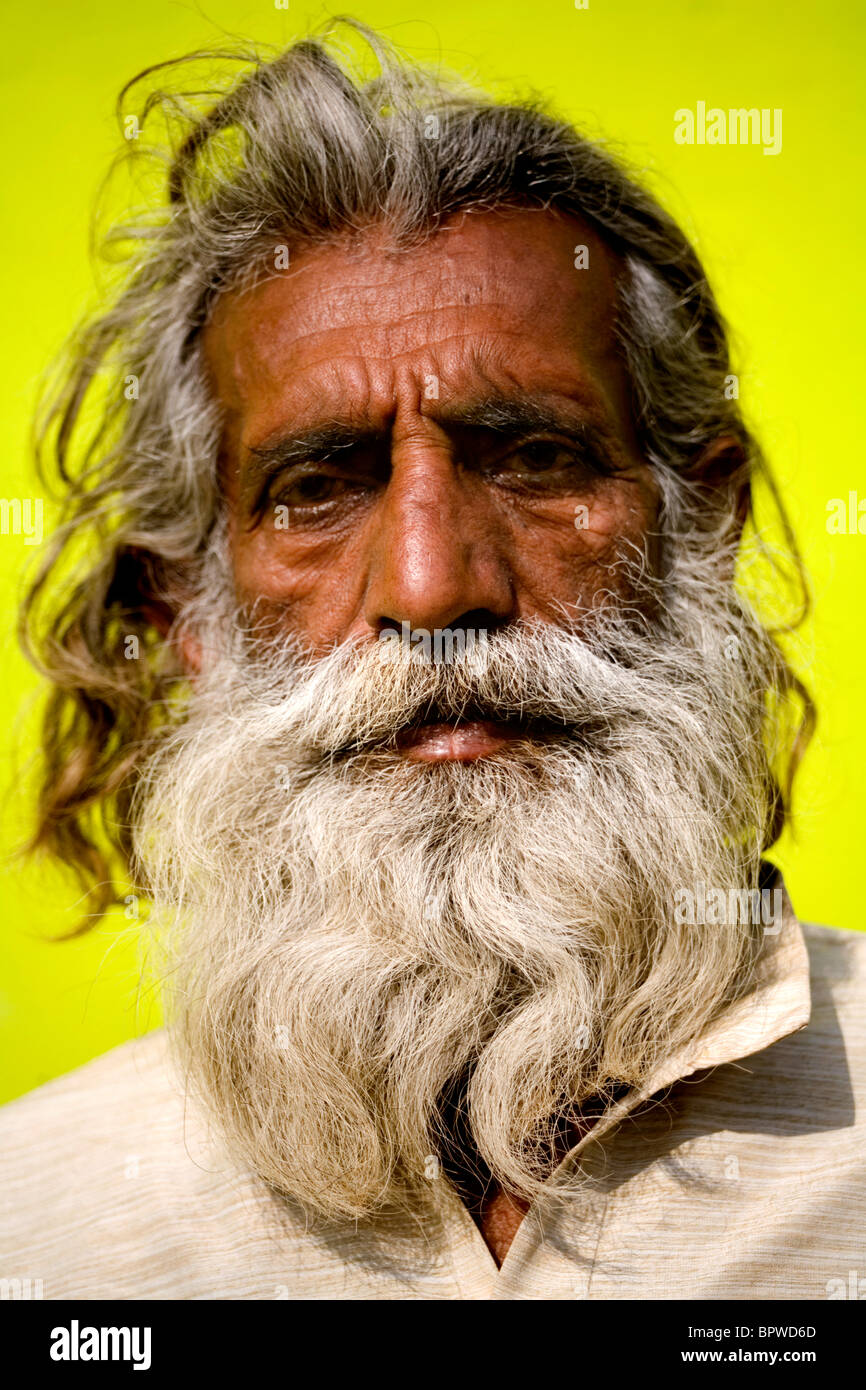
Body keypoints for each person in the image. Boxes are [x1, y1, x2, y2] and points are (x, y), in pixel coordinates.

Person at [1, 20, 863, 1300]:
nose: (431, 585)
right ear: (187, 611)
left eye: (534, 458)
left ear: (702, 524)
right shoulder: (39, 1226)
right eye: (315, 488)